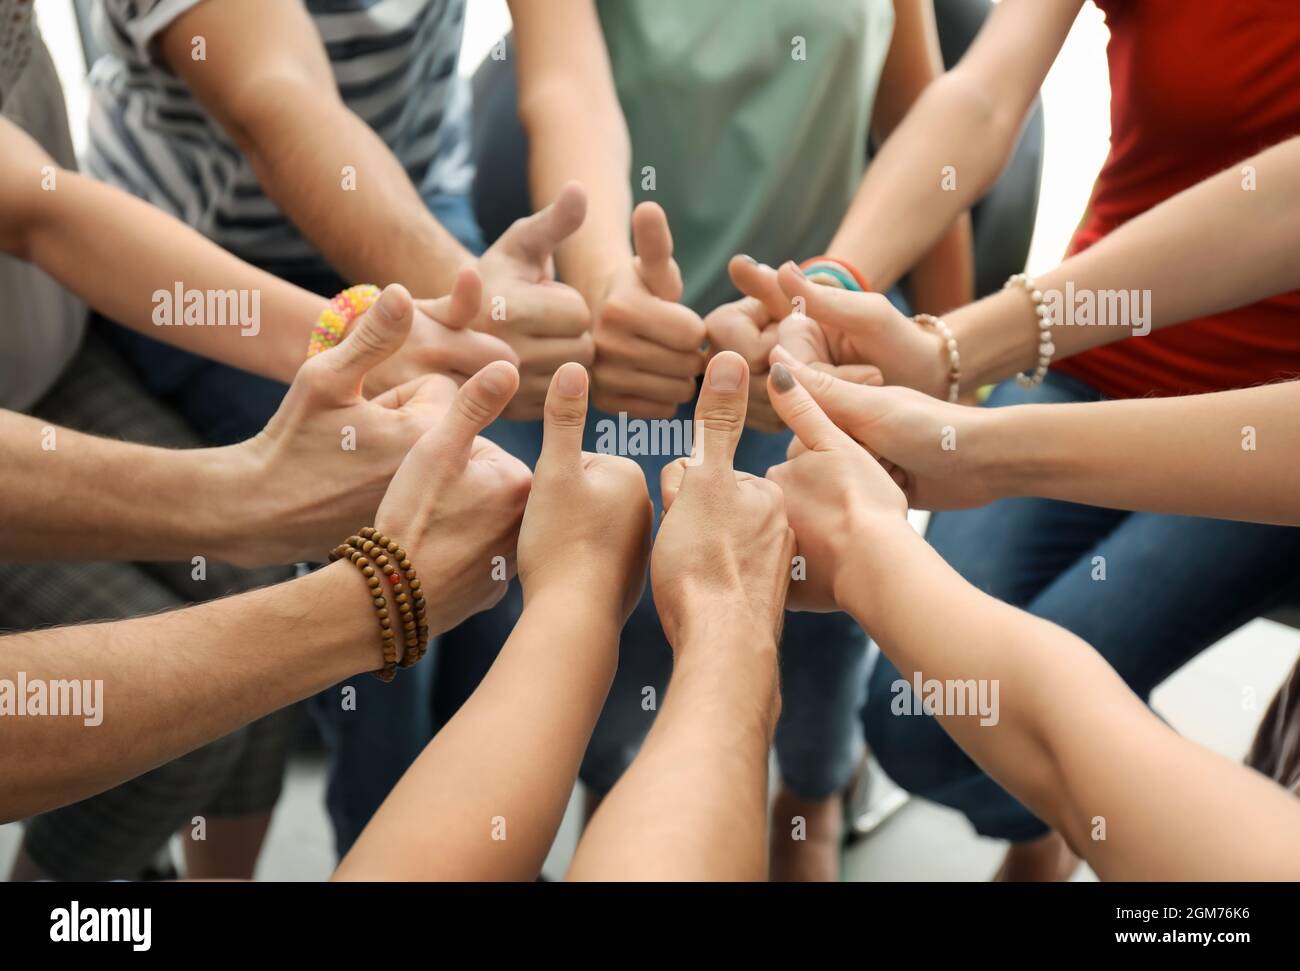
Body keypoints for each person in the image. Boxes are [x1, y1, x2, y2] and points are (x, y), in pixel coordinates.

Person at [766, 0, 1300, 879]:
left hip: (1263, 430)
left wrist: (968, 434)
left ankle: (1059, 812)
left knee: (964, 718)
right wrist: (867, 307)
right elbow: (981, 94)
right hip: (1094, 354)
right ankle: (1047, 818)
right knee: (919, 713)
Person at [481, 0, 971, 880]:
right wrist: (610, 296)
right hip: (639, 324)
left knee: (829, 585)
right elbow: (564, 89)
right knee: (619, 584)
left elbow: (923, 125)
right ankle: (616, 781)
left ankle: (813, 793)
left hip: (816, 319)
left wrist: (953, 354)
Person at [753, 358, 1300, 880]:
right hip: (1107, 375)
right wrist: (968, 443)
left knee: (925, 720)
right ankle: (1064, 822)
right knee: (924, 716)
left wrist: (864, 552)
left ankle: (1064, 825)